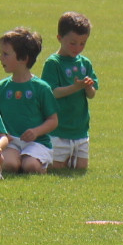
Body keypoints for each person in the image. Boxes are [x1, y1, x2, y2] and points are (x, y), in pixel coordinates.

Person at [0, 27, 58, 176]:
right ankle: (19, 160)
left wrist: (36, 132)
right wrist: (3, 135)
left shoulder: (41, 88)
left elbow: (53, 120)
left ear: (23, 59)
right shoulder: (2, 88)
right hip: (12, 142)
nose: (0, 58)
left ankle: (40, 164)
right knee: (10, 164)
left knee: (30, 167)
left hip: (37, 142)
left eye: (5, 54)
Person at [42, 11, 96, 171]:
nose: (78, 48)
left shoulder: (85, 63)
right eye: (73, 43)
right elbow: (52, 93)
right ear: (59, 38)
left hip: (80, 126)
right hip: (59, 128)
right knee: (56, 167)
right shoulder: (53, 63)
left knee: (81, 168)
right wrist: (75, 87)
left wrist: (88, 87)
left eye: (83, 43)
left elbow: (92, 95)